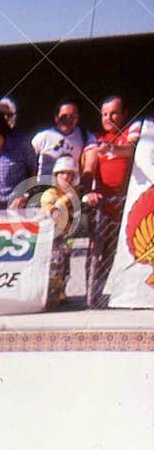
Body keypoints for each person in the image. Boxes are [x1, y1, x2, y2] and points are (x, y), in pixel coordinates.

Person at [81, 95, 142, 309]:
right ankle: (93, 294)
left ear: (124, 114)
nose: (108, 118)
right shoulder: (95, 138)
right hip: (103, 208)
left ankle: (134, 295)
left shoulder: (133, 130)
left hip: (128, 207)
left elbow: (132, 149)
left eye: (114, 113)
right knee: (98, 252)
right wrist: (88, 191)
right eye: (104, 114)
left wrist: (113, 150)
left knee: (131, 251)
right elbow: (89, 168)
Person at [39, 158, 82, 309]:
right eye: (62, 173)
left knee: (65, 265)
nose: (66, 177)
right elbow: (52, 213)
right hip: (53, 236)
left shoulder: (73, 192)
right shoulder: (49, 194)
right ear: (56, 175)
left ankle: (61, 293)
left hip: (67, 234)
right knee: (52, 266)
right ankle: (49, 296)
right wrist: (65, 200)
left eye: (69, 174)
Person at [0, 108, 38, 210]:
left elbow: (33, 169)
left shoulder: (20, 144)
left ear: (0, 126)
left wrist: (25, 196)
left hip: (20, 205)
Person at [33, 101, 89, 184]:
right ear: (56, 118)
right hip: (44, 187)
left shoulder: (84, 136)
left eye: (72, 116)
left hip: (69, 188)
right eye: (64, 116)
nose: (68, 120)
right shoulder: (42, 137)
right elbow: (27, 163)